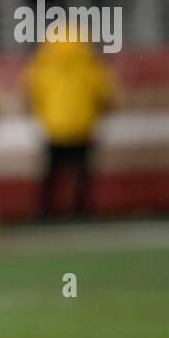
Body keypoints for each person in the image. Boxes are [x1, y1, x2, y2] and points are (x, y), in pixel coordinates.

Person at [22, 23, 118, 220]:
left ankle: (45, 211)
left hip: (53, 126)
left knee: (51, 174)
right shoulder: (91, 65)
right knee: (81, 173)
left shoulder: (42, 65)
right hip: (83, 125)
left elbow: (30, 94)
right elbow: (105, 95)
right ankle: (81, 210)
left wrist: (42, 115)